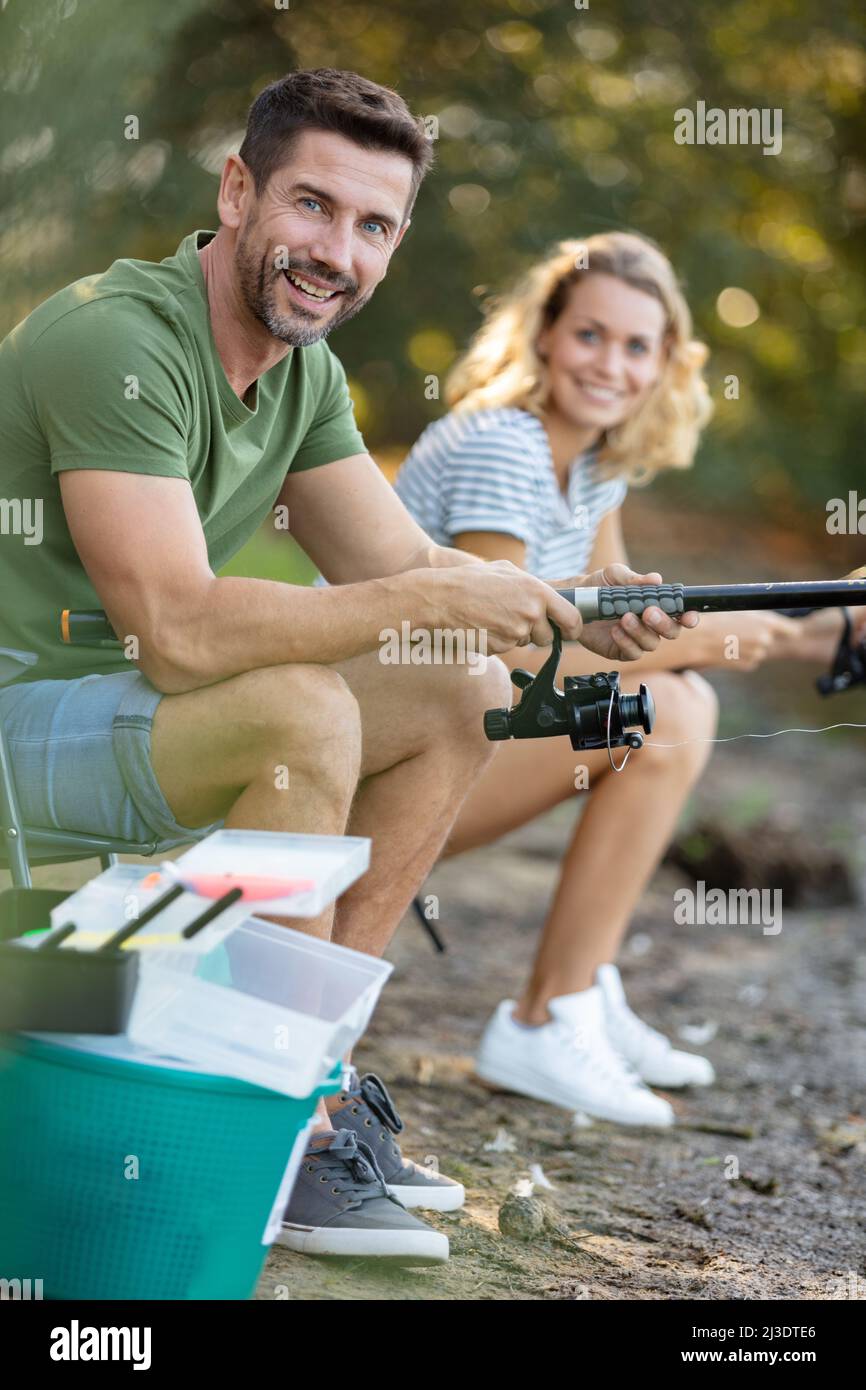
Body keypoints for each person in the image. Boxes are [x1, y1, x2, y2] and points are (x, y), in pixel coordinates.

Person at [0, 75, 695, 1263]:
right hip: (22, 711)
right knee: (301, 713)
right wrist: (429, 596)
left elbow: (412, 565)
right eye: (312, 207)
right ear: (237, 190)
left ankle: (302, 1090)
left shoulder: (300, 371)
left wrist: (574, 617)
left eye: (371, 225)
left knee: (452, 688)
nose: (336, 251)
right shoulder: (117, 338)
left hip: (113, 716)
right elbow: (175, 629)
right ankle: (261, 1126)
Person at [394, 231, 852, 1126]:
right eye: (589, 335)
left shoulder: (595, 466)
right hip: (391, 753)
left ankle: (581, 989)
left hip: (459, 737)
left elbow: (626, 627)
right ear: (545, 335)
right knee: (669, 711)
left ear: (664, 363)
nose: (609, 363)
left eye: (636, 345)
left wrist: (825, 620)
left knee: (675, 699)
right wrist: (800, 634)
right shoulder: (505, 445)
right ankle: (543, 1018)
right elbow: (508, 649)